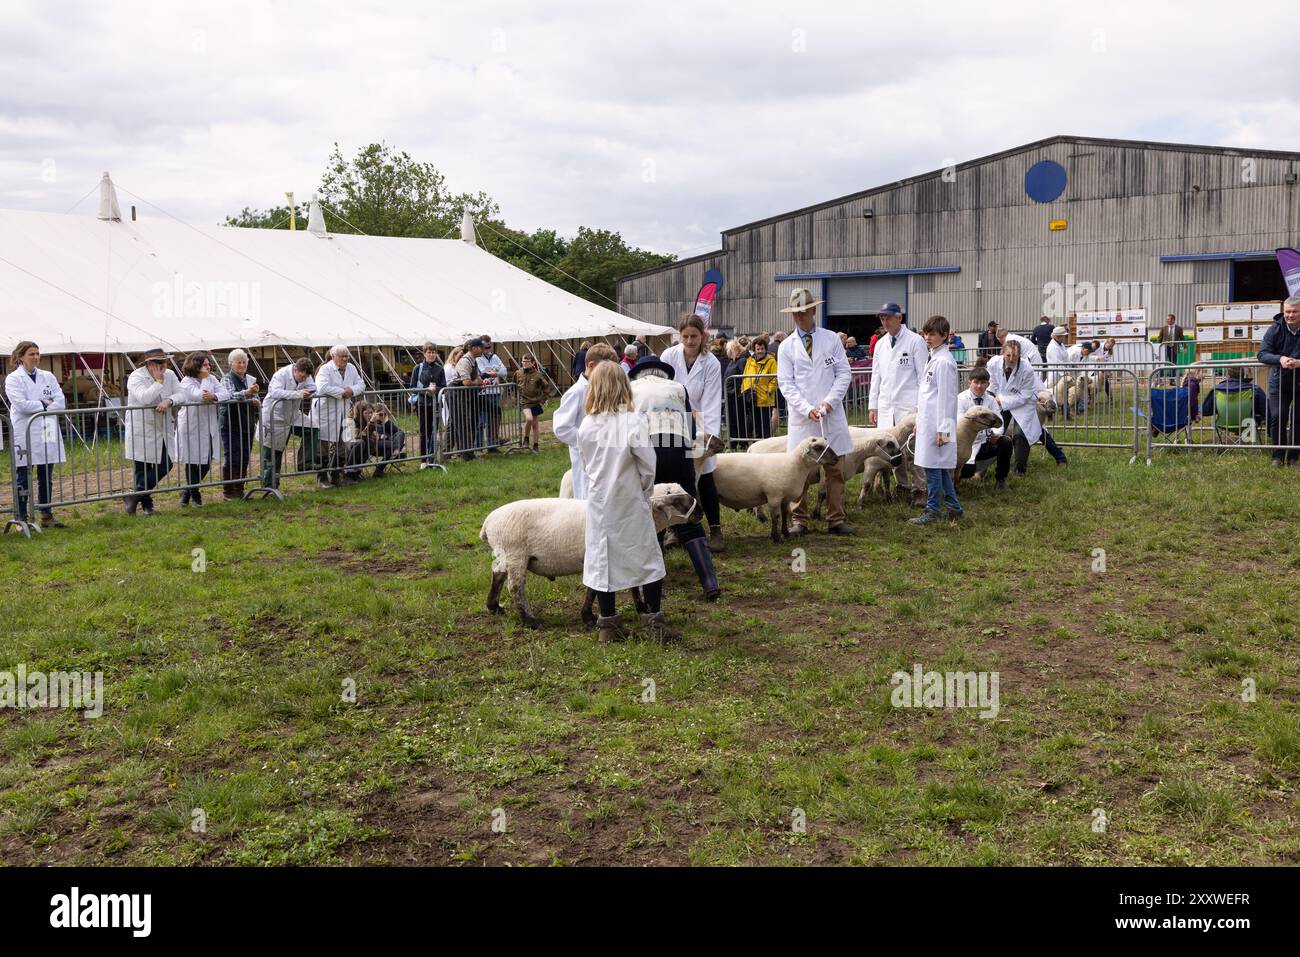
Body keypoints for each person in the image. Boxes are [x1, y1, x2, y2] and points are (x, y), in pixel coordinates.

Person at [578, 361, 681, 644]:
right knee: (647, 556)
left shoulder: (587, 425)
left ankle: (608, 624)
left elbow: (587, 464)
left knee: (603, 558)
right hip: (630, 498)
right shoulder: (632, 421)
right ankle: (653, 621)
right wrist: (645, 490)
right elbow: (648, 463)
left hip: (600, 502)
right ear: (623, 386)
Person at [628, 354, 720, 600]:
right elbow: (691, 427)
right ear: (663, 373)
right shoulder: (679, 388)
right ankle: (709, 581)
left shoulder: (631, 388)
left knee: (650, 507)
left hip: (649, 449)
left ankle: (654, 579)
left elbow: (627, 424)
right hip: (679, 449)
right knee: (687, 507)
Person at [775, 287, 855, 536]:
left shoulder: (831, 339)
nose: (799, 317)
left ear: (813, 310)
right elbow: (785, 383)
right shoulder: (786, 347)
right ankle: (800, 519)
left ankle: (836, 518)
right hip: (803, 417)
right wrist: (806, 408)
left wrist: (829, 402)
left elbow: (843, 373)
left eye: (803, 312)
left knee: (835, 470)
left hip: (830, 414)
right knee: (799, 470)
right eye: (795, 313)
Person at [662, 316, 726, 549]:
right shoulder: (668, 357)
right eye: (685, 336)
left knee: (706, 477)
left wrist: (706, 439)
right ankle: (673, 529)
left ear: (703, 336)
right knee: (673, 480)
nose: (689, 341)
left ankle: (716, 529)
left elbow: (711, 403)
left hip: (700, 427)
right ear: (680, 336)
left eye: (694, 336)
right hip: (671, 425)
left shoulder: (711, 363)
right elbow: (660, 389)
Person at [5, 340, 66, 528]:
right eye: (31, 354)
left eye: (37, 353)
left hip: (47, 427)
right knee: (23, 474)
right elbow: (21, 404)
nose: (36, 357)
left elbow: (61, 401)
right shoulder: (13, 379)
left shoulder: (48, 376)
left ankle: (46, 514)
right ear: (21, 356)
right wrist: (44, 404)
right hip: (25, 429)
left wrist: (42, 406)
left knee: (46, 473)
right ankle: (21, 516)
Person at [910, 315, 962, 525]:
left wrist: (944, 430)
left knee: (932, 467)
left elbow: (947, 400)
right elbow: (927, 397)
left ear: (945, 336)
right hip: (929, 423)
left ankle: (933, 510)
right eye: (925, 333)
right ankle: (954, 507)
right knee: (937, 467)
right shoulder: (934, 358)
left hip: (938, 426)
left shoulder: (944, 363)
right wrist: (919, 422)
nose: (927, 338)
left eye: (932, 334)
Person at [124, 348, 186, 514]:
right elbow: (145, 398)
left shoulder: (171, 375)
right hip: (142, 427)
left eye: (164, 362)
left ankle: (134, 495)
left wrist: (169, 400)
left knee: (166, 464)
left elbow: (182, 393)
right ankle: (147, 506)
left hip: (162, 427)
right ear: (149, 364)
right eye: (159, 362)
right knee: (142, 467)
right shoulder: (136, 377)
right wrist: (158, 382)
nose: (163, 366)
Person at [553, 342, 618, 498]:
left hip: (606, 456)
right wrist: (590, 439)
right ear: (591, 365)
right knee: (587, 500)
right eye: (606, 370)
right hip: (585, 458)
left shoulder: (603, 388)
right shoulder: (576, 392)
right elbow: (562, 428)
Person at [986, 338, 1045, 478]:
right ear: (1003, 353)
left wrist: (1003, 401)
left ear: (1020, 355)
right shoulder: (994, 363)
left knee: (1020, 434)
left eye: (1015, 356)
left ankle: (1020, 470)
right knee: (993, 432)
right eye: (1008, 355)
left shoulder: (1027, 368)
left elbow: (1025, 395)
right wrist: (990, 397)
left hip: (1022, 405)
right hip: (999, 400)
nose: (1011, 359)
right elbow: (992, 383)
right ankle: (982, 468)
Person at [868, 302, 926, 428]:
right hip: (885, 407)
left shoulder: (916, 341)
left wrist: (922, 409)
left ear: (899, 318)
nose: (885, 322)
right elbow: (876, 376)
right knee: (885, 445)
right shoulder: (880, 344)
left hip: (908, 407)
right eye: (882, 319)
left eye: (888, 318)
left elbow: (923, 378)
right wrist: (873, 406)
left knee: (908, 445)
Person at [260, 357, 316, 489]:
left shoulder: (306, 374)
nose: (304, 379)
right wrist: (297, 394)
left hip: (293, 415)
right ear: (295, 370)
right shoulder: (281, 374)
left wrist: (309, 393)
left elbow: (313, 387)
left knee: (313, 429)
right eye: (302, 376)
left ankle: (305, 463)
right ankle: (270, 485)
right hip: (274, 416)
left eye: (306, 377)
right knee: (273, 452)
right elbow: (274, 392)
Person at [315, 344, 366, 487]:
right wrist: (341, 392)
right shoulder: (325, 369)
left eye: (346, 356)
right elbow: (322, 387)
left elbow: (361, 384)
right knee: (323, 446)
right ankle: (322, 477)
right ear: (333, 357)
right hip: (327, 412)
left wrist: (351, 390)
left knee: (343, 444)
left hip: (344, 411)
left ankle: (336, 474)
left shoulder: (351, 368)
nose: (345, 359)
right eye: (341, 356)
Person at [176, 351, 221, 506]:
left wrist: (215, 396)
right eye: (205, 365)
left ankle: (187, 490)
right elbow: (199, 396)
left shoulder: (212, 378)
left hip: (208, 425)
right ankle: (195, 495)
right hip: (191, 425)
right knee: (191, 460)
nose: (209, 367)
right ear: (196, 366)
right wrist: (205, 381)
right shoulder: (186, 381)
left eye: (209, 364)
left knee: (206, 460)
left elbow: (225, 393)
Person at [1259, 297, 1300, 465]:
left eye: (1295, 311)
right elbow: (1262, 354)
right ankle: (1277, 456)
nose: (1290, 315)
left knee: (1298, 418)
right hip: (1279, 382)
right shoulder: (1275, 329)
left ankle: (1294, 457)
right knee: (1277, 416)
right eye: (1287, 312)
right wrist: (1280, 359)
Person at [958, 366, 1013, 488]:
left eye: (983, 383)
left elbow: (999, 422)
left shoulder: (991, 400)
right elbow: (960, 422)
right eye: (976, 382)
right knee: (967, 472)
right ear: (969, 382)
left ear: (988, 384)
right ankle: (956, 481)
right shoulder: (961, 399)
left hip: (984, 442)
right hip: (966, 444)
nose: (979, 386)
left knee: (1006, 442)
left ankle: (1001, 479)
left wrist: (995, 434)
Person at [218, 348, 260, 500]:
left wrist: (255, 400)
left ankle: (240, 489)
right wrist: (246, 393)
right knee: (232, 456)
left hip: (246, 422)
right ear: (231, 364)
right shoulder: (227, 378)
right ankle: (229, 491)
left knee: (244, 456)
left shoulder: (249, 379)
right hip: (231, 423)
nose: (242, 365)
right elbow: (228, 395)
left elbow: (255, 397)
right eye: (238, 363)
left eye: (244, 362)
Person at [409, 342, 445, 469]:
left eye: (433, 352)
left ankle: (432, 457)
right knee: (425, 432)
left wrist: (436, 389)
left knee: (434, 432)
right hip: (422, 404)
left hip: (435, 404)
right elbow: (412, 387)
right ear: (424, 354)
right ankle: (423, 460)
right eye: (428, 352)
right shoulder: (417, 368)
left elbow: (444, 386)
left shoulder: (440, 369)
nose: (431, 354)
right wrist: (425, 390)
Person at [449, 338, 485, 460]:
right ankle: (466, 455)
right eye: (481, 347)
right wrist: (477, 382)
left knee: (457, 424)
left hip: (463, 394)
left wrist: (480, 381)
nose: (483, 350)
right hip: (456, 393)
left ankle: (448, 453)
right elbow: (467, 382)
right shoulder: (465, 361)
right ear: (474, 348)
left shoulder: (473, 360)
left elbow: (477, 378)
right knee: (462, 424)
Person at [742, 335, 778, 440]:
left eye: (762, 349)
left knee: (765, 425)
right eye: (758, 349)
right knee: (755, 424)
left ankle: (766, 446)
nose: (760, 351)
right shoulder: (750, 360)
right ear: (754, 349)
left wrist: (769, 391)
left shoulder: (771, 361)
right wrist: (744, 390)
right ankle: (756, 445)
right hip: (752, 397)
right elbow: (745, 376)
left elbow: (774, 378)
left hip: (765, 397)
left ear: (766, 349)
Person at [476, 336, 508, 452]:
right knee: (481, 420)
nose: (488, 349)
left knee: (493, 419)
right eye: (485, 346)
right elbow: (483, 371)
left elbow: (504, 371)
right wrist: (495, 372)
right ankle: (478, 446)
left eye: (489, 346)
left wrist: (493, 372)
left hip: (495, 392)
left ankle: (491, 445)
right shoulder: (478, 358)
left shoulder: (495, 357)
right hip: (483, 393)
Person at [358, 402, 404, 477]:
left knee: (401, 433)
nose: (382, 416)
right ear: (374, 413)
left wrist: (386, 421)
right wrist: (380, 435)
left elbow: (397, 432)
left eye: (384, 414)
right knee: (392, 446)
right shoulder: (371, 423)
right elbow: (369, 435)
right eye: (380, 414)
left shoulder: (386, 423)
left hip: (388, 445)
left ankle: (379, 470)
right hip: (376, 445)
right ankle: (396, 454)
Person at [514, 353, 548, 452]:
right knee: (529, 419)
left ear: (533, 363)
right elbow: (514, 385)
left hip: (535, 402)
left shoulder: (538, 374)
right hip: (524, 402)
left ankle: (536, 445)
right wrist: (516, 398)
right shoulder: (518, 373)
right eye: (523, 361)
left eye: (527, 361)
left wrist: (543, 399)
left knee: (535, 424)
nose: (525, 363)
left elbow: (546, 387)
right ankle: (526, 438)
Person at [722, 338, 749, 449]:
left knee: (739, 420)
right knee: (732, 420)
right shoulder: (733, 361)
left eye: (728, 350)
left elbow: (744, 379)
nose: (727, 353)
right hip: (730, 396)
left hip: (737, 396)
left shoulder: (742, 360)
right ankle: (733, 443)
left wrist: (735, 391)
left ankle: (742, 443)